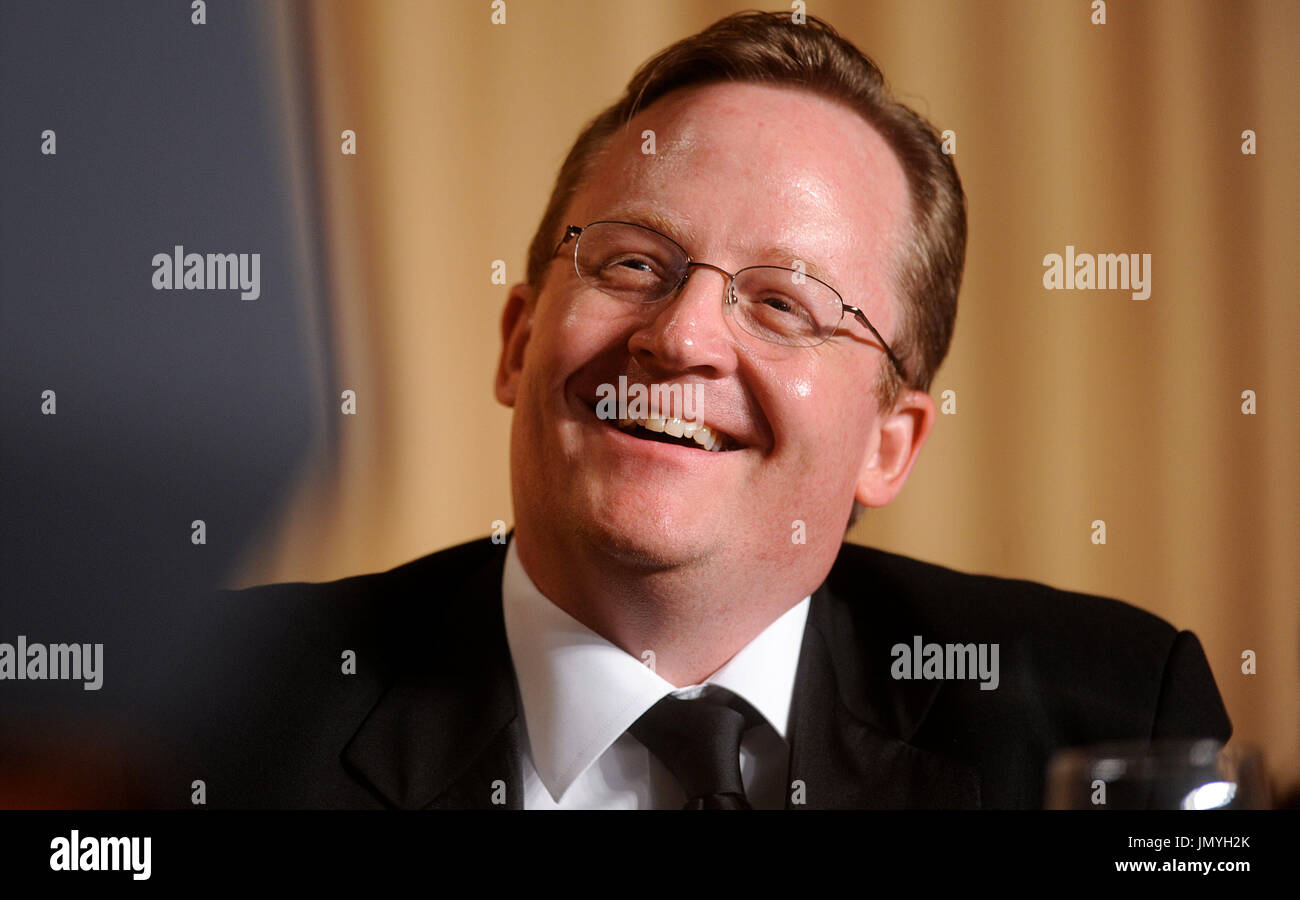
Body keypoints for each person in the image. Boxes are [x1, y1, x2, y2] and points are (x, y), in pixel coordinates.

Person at [163, 10, 1230, 810]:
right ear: (518, 340)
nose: (679, 337)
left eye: (783, 304)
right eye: (633, 261)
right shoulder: (211, 717)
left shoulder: (1103, 720)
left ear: (888, 444)